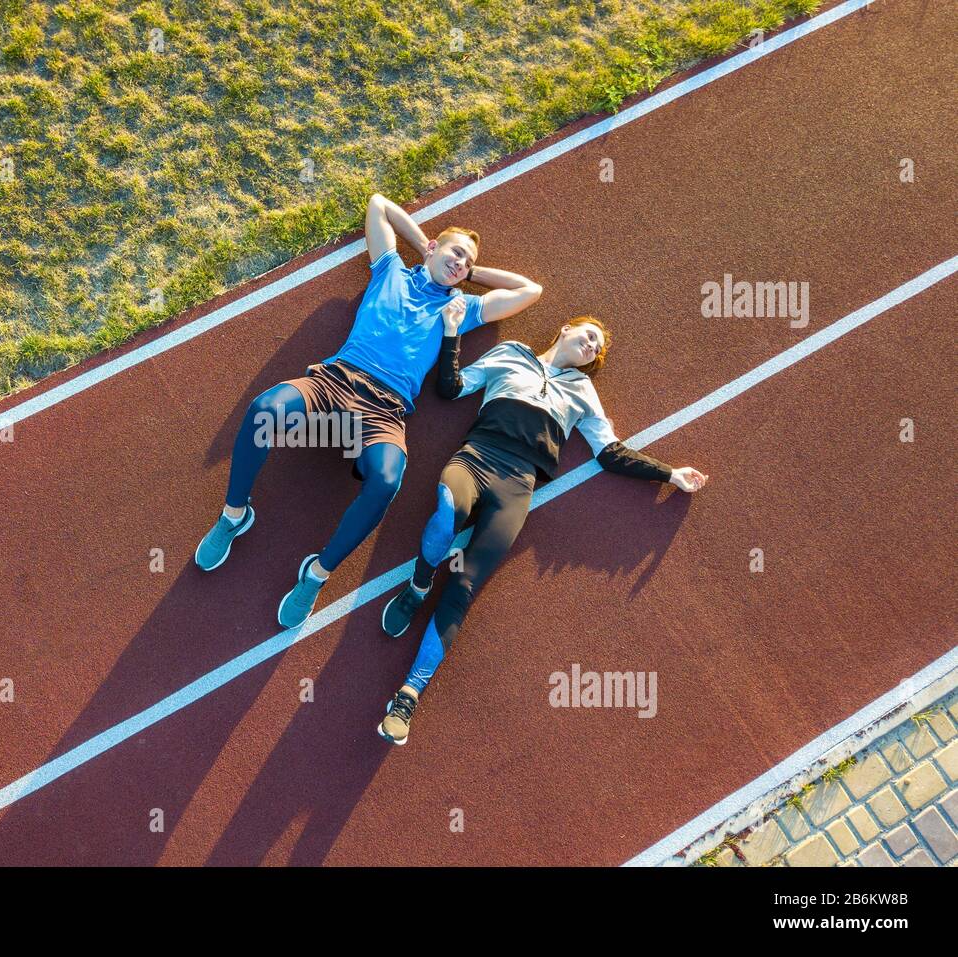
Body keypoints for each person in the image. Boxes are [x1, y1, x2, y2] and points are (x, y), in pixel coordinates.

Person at [194, 192, 544, 628]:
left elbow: (531, 290)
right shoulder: (390, 270)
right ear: (433, 246)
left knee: (385, 481)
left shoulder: (462, 308)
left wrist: (470, 277)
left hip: (385, 411)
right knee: (265, 410)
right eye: (456, 252)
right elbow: (378, 204)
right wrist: (424, 246)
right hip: (334, 382)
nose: (461, 263)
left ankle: (316, 573)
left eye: (467, 262)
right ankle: (234, 515)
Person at [376, 308, 709, 744]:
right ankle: (419, 587)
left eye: (596, 349)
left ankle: (409, 694)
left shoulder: (583, 390)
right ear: (566, 328)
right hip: (476, 458)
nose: (591, 347)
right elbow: (452, 387)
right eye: (589, 336)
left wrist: (669, 474)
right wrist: (453, 332)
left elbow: (608, 451)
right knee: (446, 506)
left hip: (517, 486)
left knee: (466, 584)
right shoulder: (510, 353)